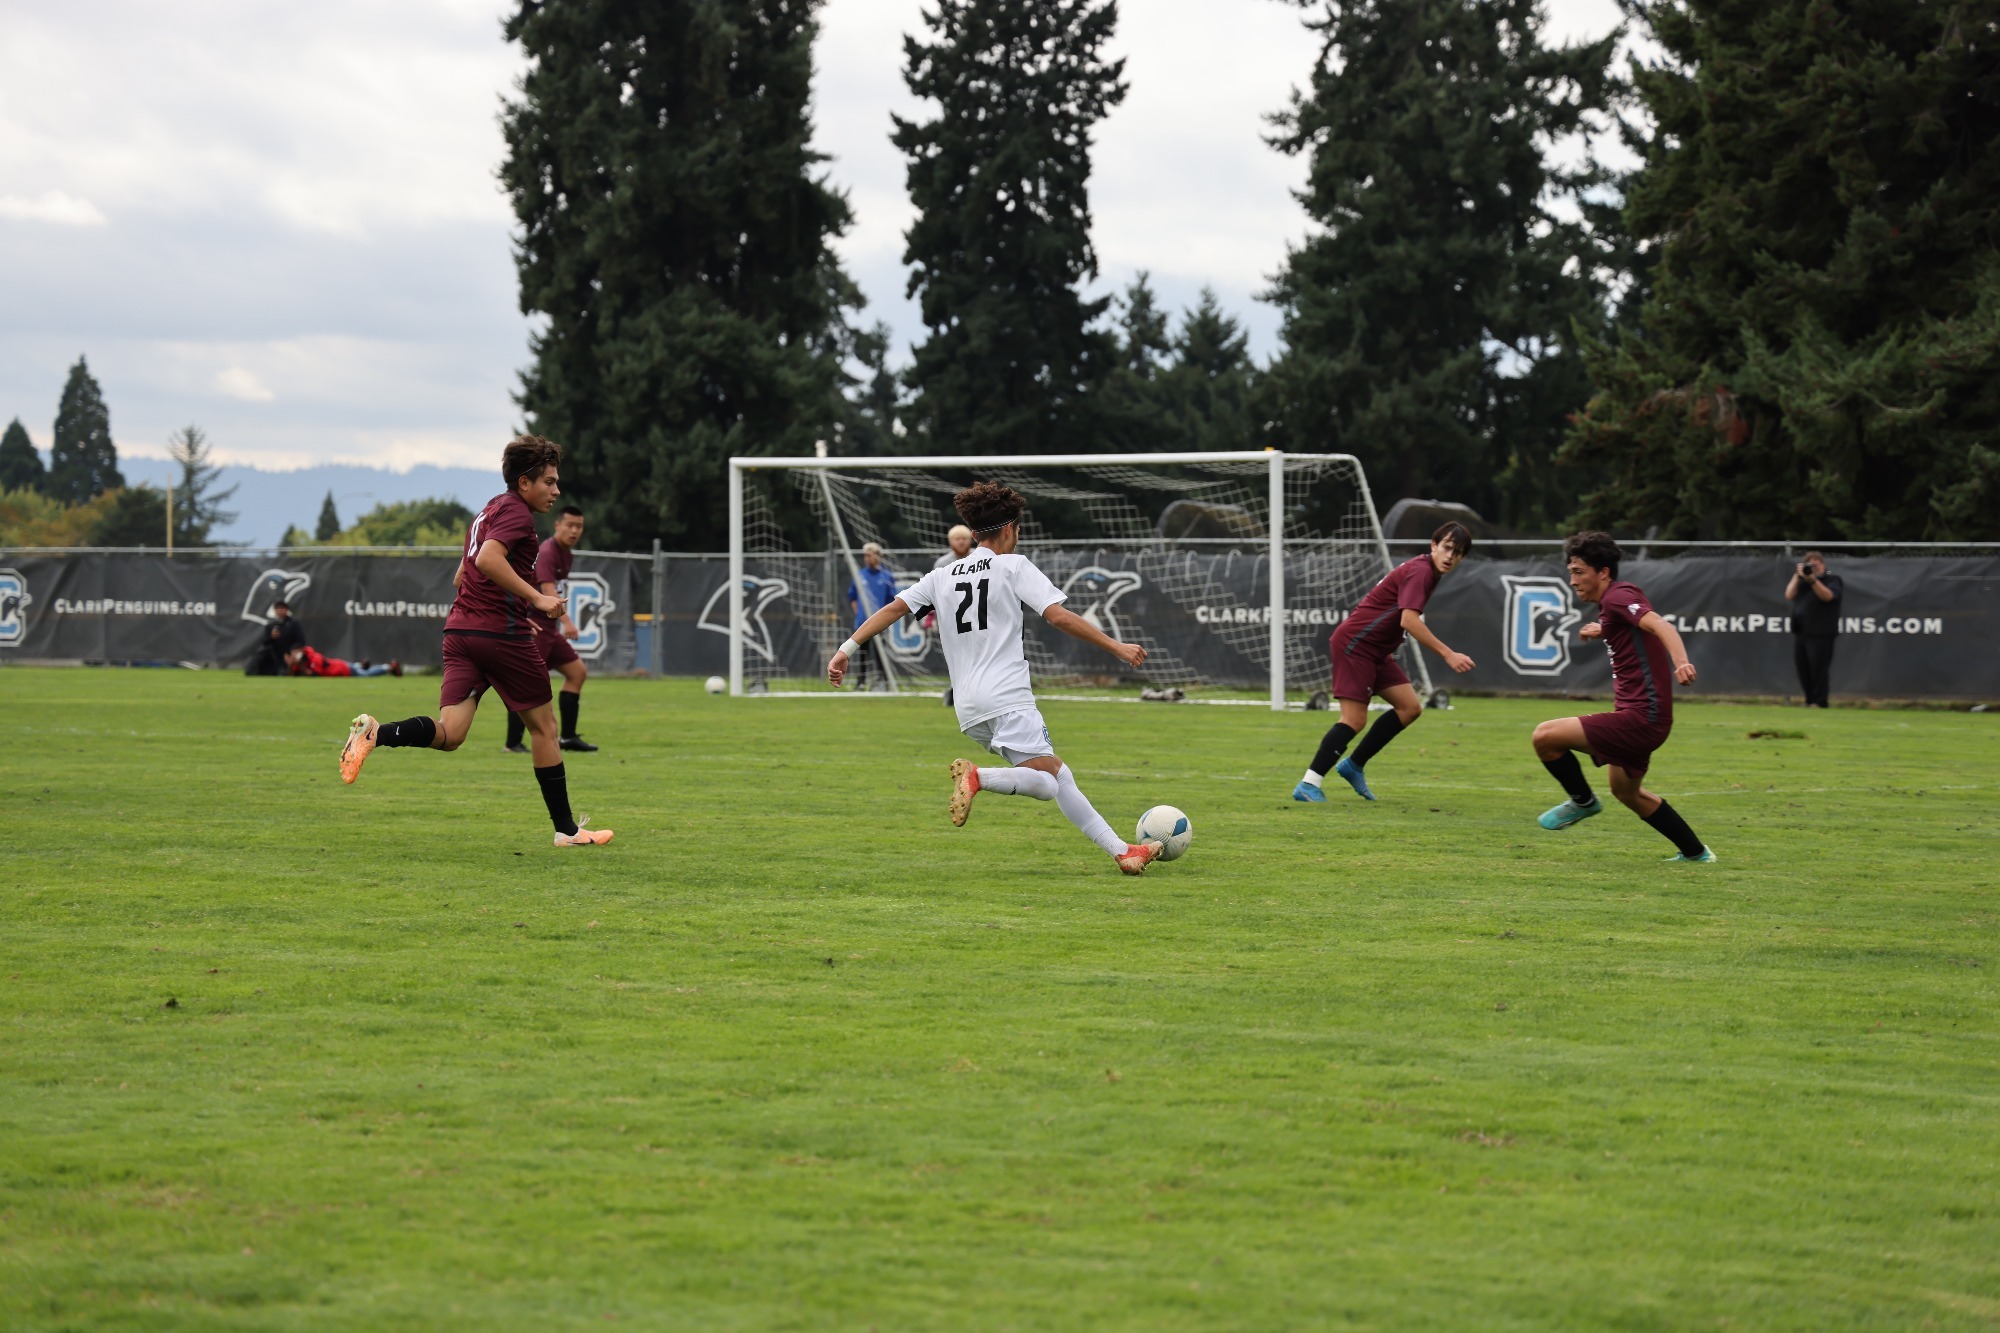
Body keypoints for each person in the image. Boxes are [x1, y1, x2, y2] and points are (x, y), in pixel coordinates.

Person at [826, 480, 1163, 875]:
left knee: (1056, 773)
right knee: (1047, 782)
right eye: (1018, 530)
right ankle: (977, 776)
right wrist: (1117, 647)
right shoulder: (1013, 565)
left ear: (974, 532)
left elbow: (891, 610)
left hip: (968, 708)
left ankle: (1123, 852)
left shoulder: (942, 575)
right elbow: (1057, 615)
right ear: (1008, 529)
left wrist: (844, 650)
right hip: (1008, 698)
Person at [336, 435, 613, 848]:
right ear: (524, 482)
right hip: (499, 636)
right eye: (549, 482)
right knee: (545, 729)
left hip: (462, 632)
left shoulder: (489, 510)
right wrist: (535, 599)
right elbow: (486, 561)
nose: (556, 491)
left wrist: (511, 608)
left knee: (451, 734)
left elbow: (462, 574)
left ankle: (376, 732)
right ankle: (567, 831)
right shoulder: (518, 516)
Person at [1529, 531, 1713, 862]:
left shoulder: (1617, 596)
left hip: (1642, 718)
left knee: (1545, 736)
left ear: (1603, 572)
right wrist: (1603, 629)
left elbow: (1661, 625)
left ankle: (1583, 802)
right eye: (1570, 571)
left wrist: (1682, 662)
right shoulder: (1612, 605)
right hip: (1646, 719)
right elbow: (1631, 625)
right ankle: (1696, 854)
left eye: (1579, 571)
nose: (1573, 580)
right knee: (1626, 792)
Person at [1292, 522, 1477, 802]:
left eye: (1458, 552)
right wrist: (1447, 653)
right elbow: (1409, 620)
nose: (1451, 556)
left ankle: (1353, 766)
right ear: (1433, 545)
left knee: (1409, 708)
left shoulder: (1428, 572)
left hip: (1375, 651)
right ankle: (1309, 784)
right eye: (1447, 547)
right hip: (1357, 646)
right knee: (1354, 720)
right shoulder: (1421, 571)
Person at [505, 504, 597, 753]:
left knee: (577, 673)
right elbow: (547, 590)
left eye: (579, 526)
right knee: (526, 684)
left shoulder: (566, 553)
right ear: (557, 525)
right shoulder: (547, 551)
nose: (574, 530)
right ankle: (512, 743)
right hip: (536, 627)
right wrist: (567, 623)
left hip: (550, 629)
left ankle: (567, 738)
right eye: (569, 525)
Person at [1785, 550, 1843, 708]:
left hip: (1821, 632)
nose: (1813, 568)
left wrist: (1813, 580)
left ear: (1823, 565)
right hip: (1801, 631)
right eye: (1809, 565)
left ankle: (1820, 701)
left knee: (1819, 668)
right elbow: (1789, 595)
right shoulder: (1801, 583)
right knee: (1803, 668)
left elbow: (1827, 596)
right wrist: (1798, 576)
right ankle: (1809, 699)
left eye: (1816, 565)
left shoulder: (1832, 580)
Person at [844, 541, 900, 690]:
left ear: (878, 556)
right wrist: (859, 613)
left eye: (869, 555)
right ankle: (861, 682)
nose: (866, 558)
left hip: (880, 622)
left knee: (881, 653)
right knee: (862, 653)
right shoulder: (860, 575)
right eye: (864, 556)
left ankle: (884, 681)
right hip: (862, 622)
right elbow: (852, 596)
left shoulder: (887, 576)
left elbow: (891, 599)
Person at [245, 600, 305, 676]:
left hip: (291, 651)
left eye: (282, 609)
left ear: (286, 610)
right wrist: (271, 637)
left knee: (298, 657)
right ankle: (253, 671)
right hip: (275, 653)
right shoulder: (271, 625)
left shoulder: (294, 623)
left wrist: (292, 651)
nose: (280, 611)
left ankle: (292, 670)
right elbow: (265, 642)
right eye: (277, 609)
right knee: (261, 653)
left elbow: (301, 640)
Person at [287, 645, 399, 678]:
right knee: (360, 670)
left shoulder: (314, 657)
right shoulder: (302, 662)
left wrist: (299, 666)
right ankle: (361, 664)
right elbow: (292, 675)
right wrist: (291, 665)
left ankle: (388, 667)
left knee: (365, 675)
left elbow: (315, 674)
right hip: (341, 665)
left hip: (342, 669)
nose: (294, 656)